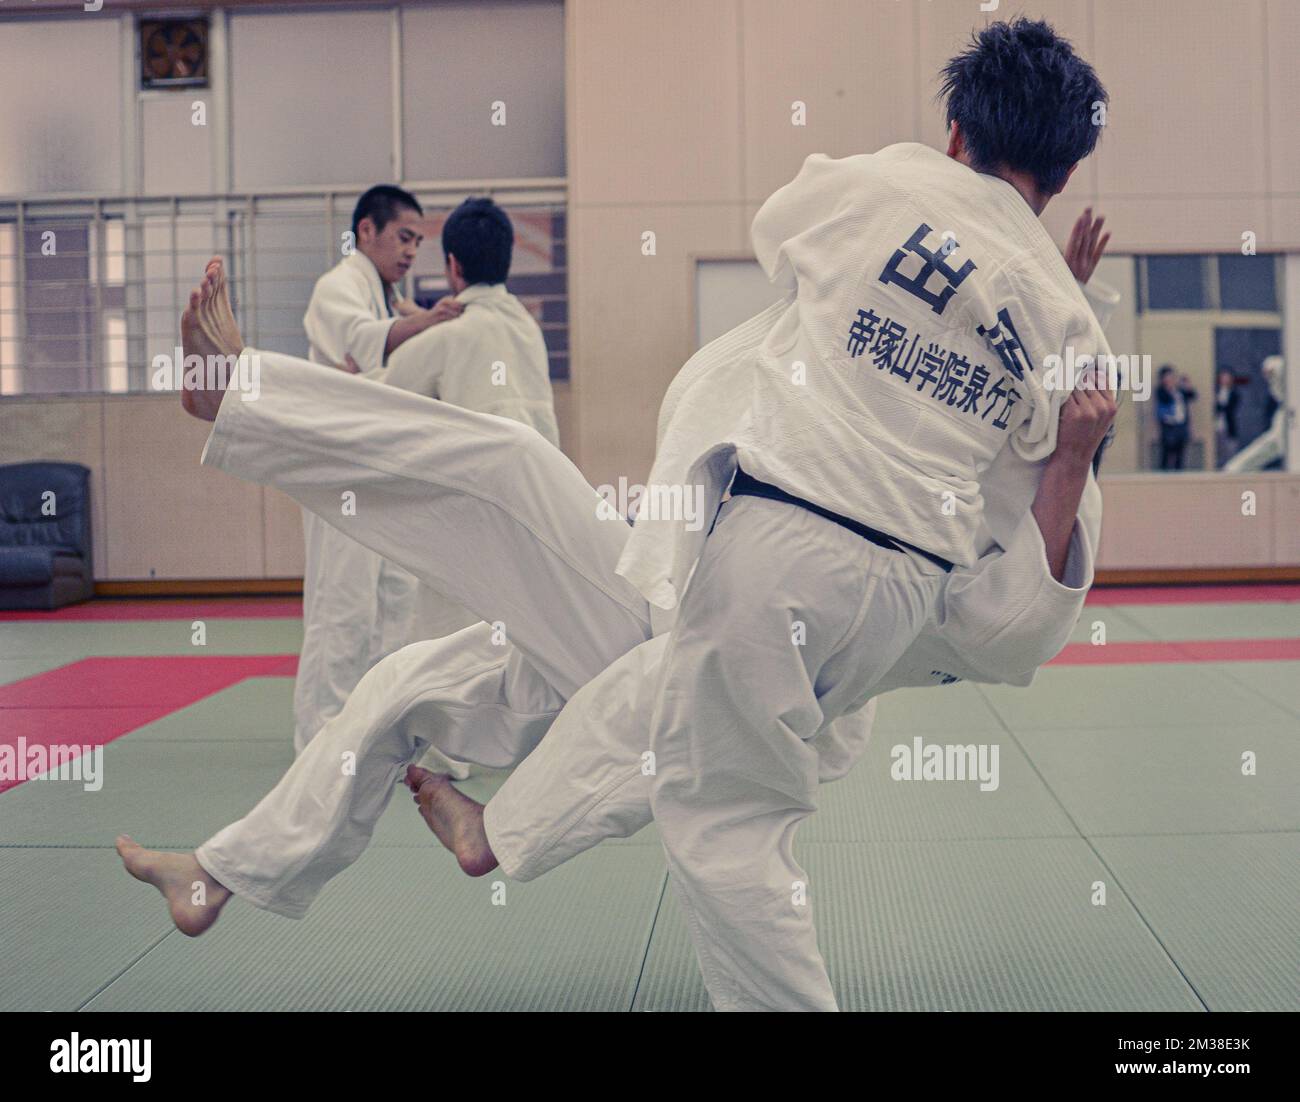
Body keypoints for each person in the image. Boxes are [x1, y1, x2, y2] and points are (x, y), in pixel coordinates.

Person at [295, 185, 462, 756]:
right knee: (342, 607)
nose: (414, 250)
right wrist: (422, 326)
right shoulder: (339, 287)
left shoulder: (394, 298)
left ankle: (376, 735)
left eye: (420, 240)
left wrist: (418, 325)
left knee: (396, 601)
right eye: (404, 236)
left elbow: (372, 360)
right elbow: (364, 346)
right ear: (366, 231)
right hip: (338, 469)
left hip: (383, 469)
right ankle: (321, 744)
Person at [1155, 364, 1197, 470]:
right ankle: (1163, 473)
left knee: (1180, 451)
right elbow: (1164, 399)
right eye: (1166, 377)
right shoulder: (1161, 391)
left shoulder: (1180, 390)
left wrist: (1187, 386)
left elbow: (1192, 395)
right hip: (1168, 425)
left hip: (1181, 424)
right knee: (1167, 451)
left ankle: (1179, 472)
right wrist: (1170, 390)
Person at [1214, 368, 1241, 468]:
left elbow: (1229, 408)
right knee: (1219, 452)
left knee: (1231, 450)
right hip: (1217, 425)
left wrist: (1220, 404)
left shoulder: (1234, 393)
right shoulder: (1216, 391)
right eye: (1223, 377)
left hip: (1229, 425)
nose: (1225, 379)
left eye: (1227, 377)